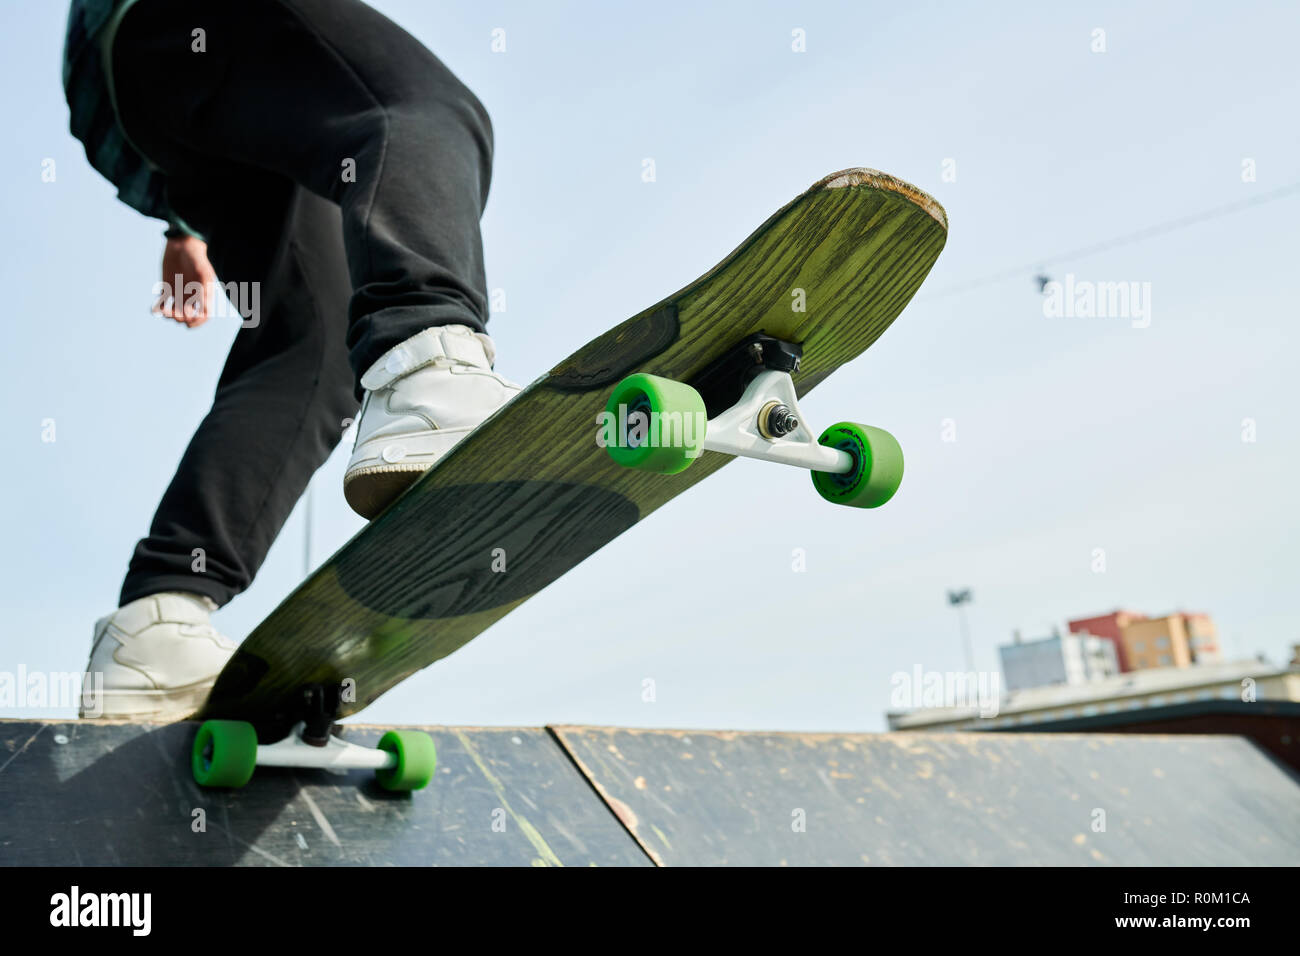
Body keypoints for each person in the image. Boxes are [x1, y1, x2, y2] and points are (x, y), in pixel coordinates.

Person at [63, 0, 518, 720]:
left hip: (150, 93)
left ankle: (158, 624)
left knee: (313, 342)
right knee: (416, 107)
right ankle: (429, 371)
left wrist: (182, 232)